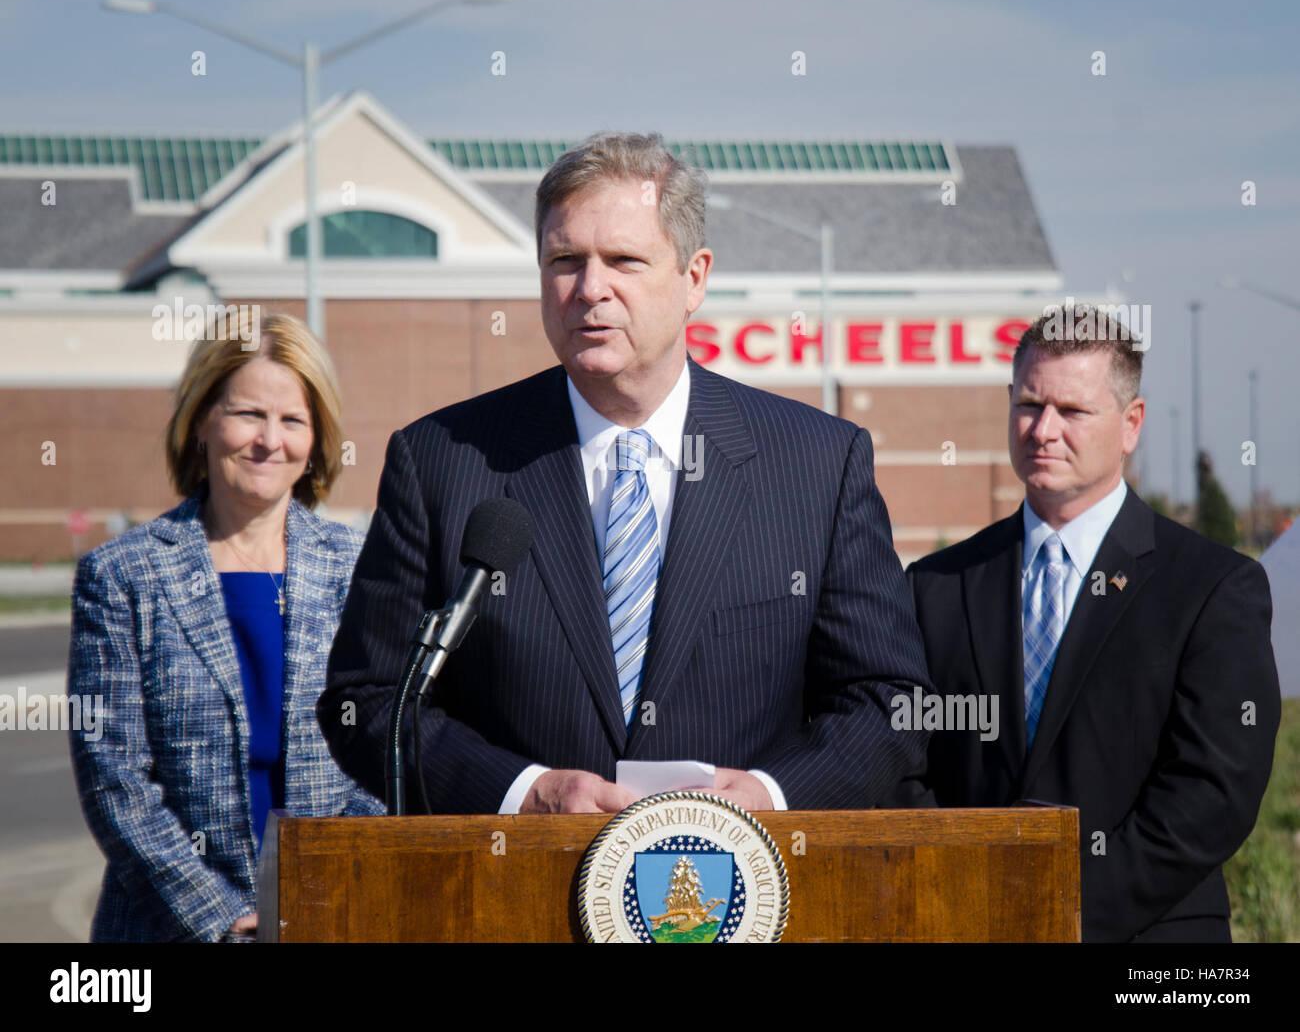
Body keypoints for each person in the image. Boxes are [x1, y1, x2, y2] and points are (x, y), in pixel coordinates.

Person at [318, 132, 932, 815]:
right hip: (516, 898)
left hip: (747, 895)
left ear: (694, 278)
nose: (589, 290)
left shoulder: (818, 464)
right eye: (564, 260)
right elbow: (368, 701)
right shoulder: (441, 460)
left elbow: (890, 704)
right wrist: (524, 794)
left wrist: (771, 796)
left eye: (624, 261)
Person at [904, 305, 1280, 942]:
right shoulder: (934, 586)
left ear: (1130, 425)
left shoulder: (1212, 588)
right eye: (1028, 404)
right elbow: (902, 761)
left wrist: (1062, 911)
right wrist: (964, 892)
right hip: (969, 924)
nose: (1043, 429)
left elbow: (1213, 791)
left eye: (1073, 411)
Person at [68, 312, 382, 943]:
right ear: (202, 421)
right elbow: (115, 779)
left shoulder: (360, 568)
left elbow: (384, 756)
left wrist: (333, 892)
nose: (270, 440)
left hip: (329, 920)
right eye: (247, 415)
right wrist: (221, 917)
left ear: (317, 440)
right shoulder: (122, 576)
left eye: (293, 420)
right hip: (165, 930)